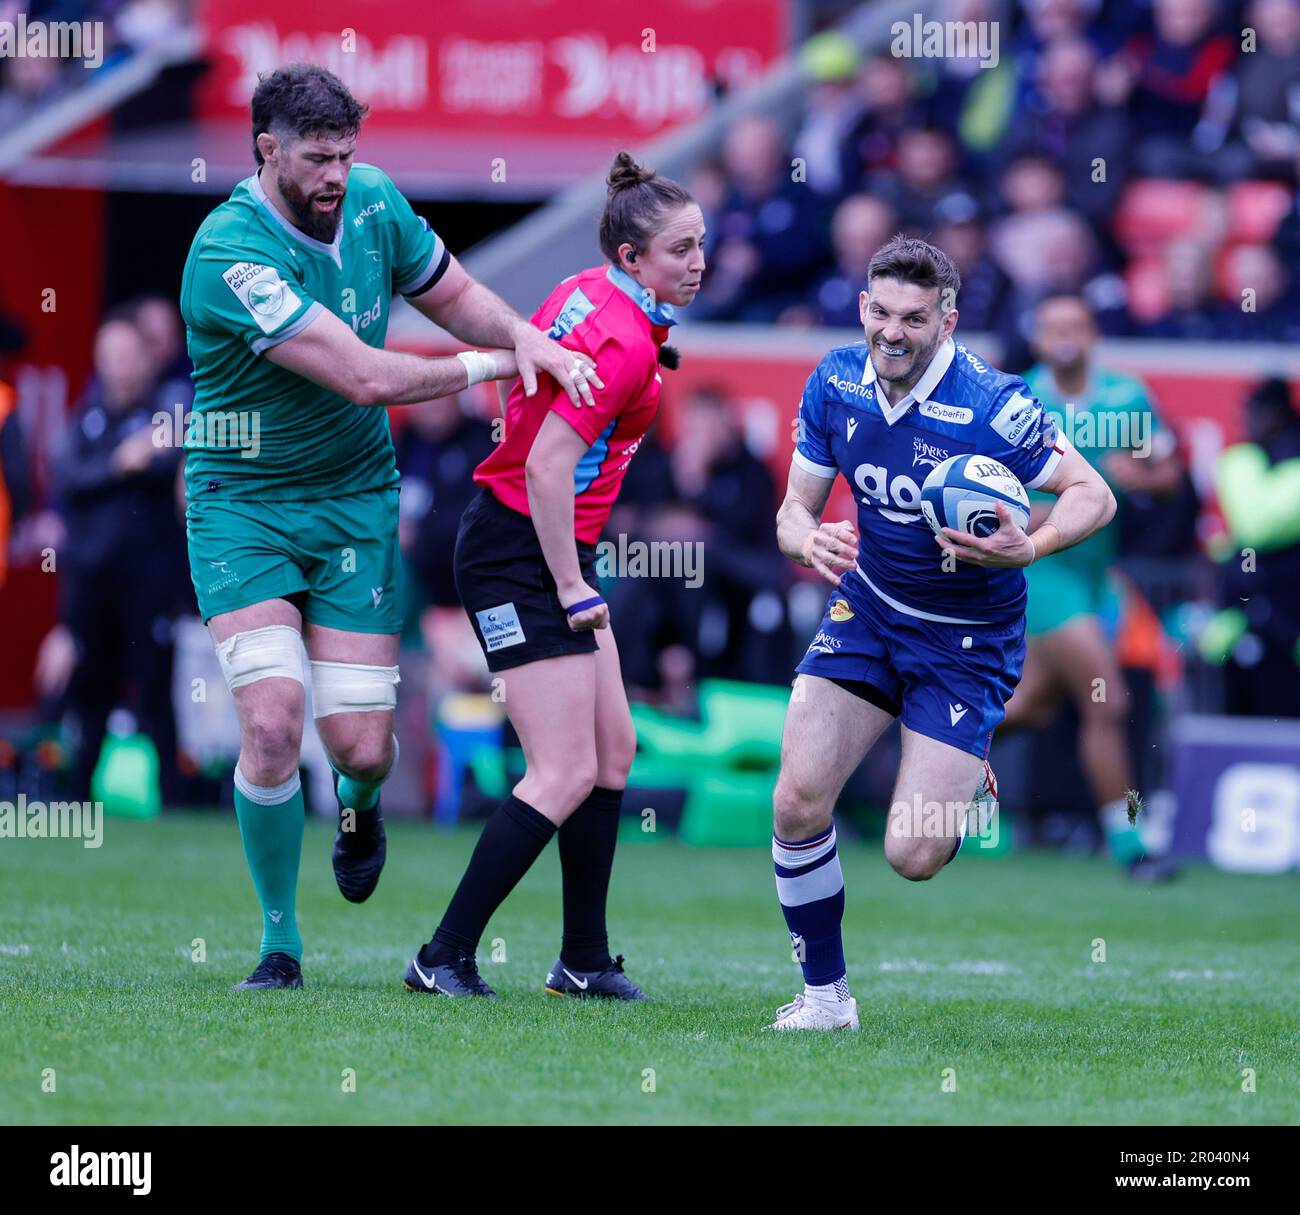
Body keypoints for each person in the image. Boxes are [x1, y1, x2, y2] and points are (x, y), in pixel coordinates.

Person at [180, 63, 596, 991]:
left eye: (347, 153)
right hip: (241, 504)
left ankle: (359, 808)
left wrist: (523, 334)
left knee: (361, 747)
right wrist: (489, 363)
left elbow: (450, 289)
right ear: (267, 151)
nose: (337, 173)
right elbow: (366, 376)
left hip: (354, 500)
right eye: (318, 158)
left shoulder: (372, 202)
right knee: (275, 719)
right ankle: (279, 944)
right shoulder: (227, 254)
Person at [765, 236, 1114, 1031]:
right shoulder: (835, 380)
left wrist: (1034, 544)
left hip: (967, 643)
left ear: (947, 319)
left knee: (911, 855)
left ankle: (964, 778)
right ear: (862, 308)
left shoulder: (994, 402)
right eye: (880, 312)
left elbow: (1095, 493)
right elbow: (794, 508)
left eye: (914, 318)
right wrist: (806, 538)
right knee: (796, 799)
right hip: (870, 611)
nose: (892, 331)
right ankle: (826, 999)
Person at [402, 152, 704, 1000]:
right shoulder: (622, 337)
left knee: (613, 754)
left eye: (701, 245)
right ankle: (442, 955)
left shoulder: (592, 294)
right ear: (632, 258)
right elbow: (543, 466)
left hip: (545, 542)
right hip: (520, 550)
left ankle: (583, 959)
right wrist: (572, 584)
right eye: (680, 249)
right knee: (564, 769)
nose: (697, 262)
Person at [1002, 294, 1183, 881]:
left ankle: (928, 737)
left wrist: (1146, 475)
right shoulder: (1018, 400)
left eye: (1074, 326)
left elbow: (1170, 473)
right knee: (1111, 700)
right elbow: (992, 492)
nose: (1064, 336)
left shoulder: (1127, 396)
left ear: (1092, 333)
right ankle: (1132, 844)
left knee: (1030, 705)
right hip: (1045, 569)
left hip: (1095, 576)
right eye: (1052, 326)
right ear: (1037, 338)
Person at [53, 313, 188, 806]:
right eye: (109, 357)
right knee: (89, 697)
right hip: (92, 586)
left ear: (148, 357)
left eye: (128, 355)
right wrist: (119, 462)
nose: (119, 367)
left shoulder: (168, 405)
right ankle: (75, 802)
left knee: (155, 695)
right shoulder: (86, 417)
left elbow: (169, 453)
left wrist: (147, 456)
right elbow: (69, 477)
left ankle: (171, 804)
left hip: (150, 584)